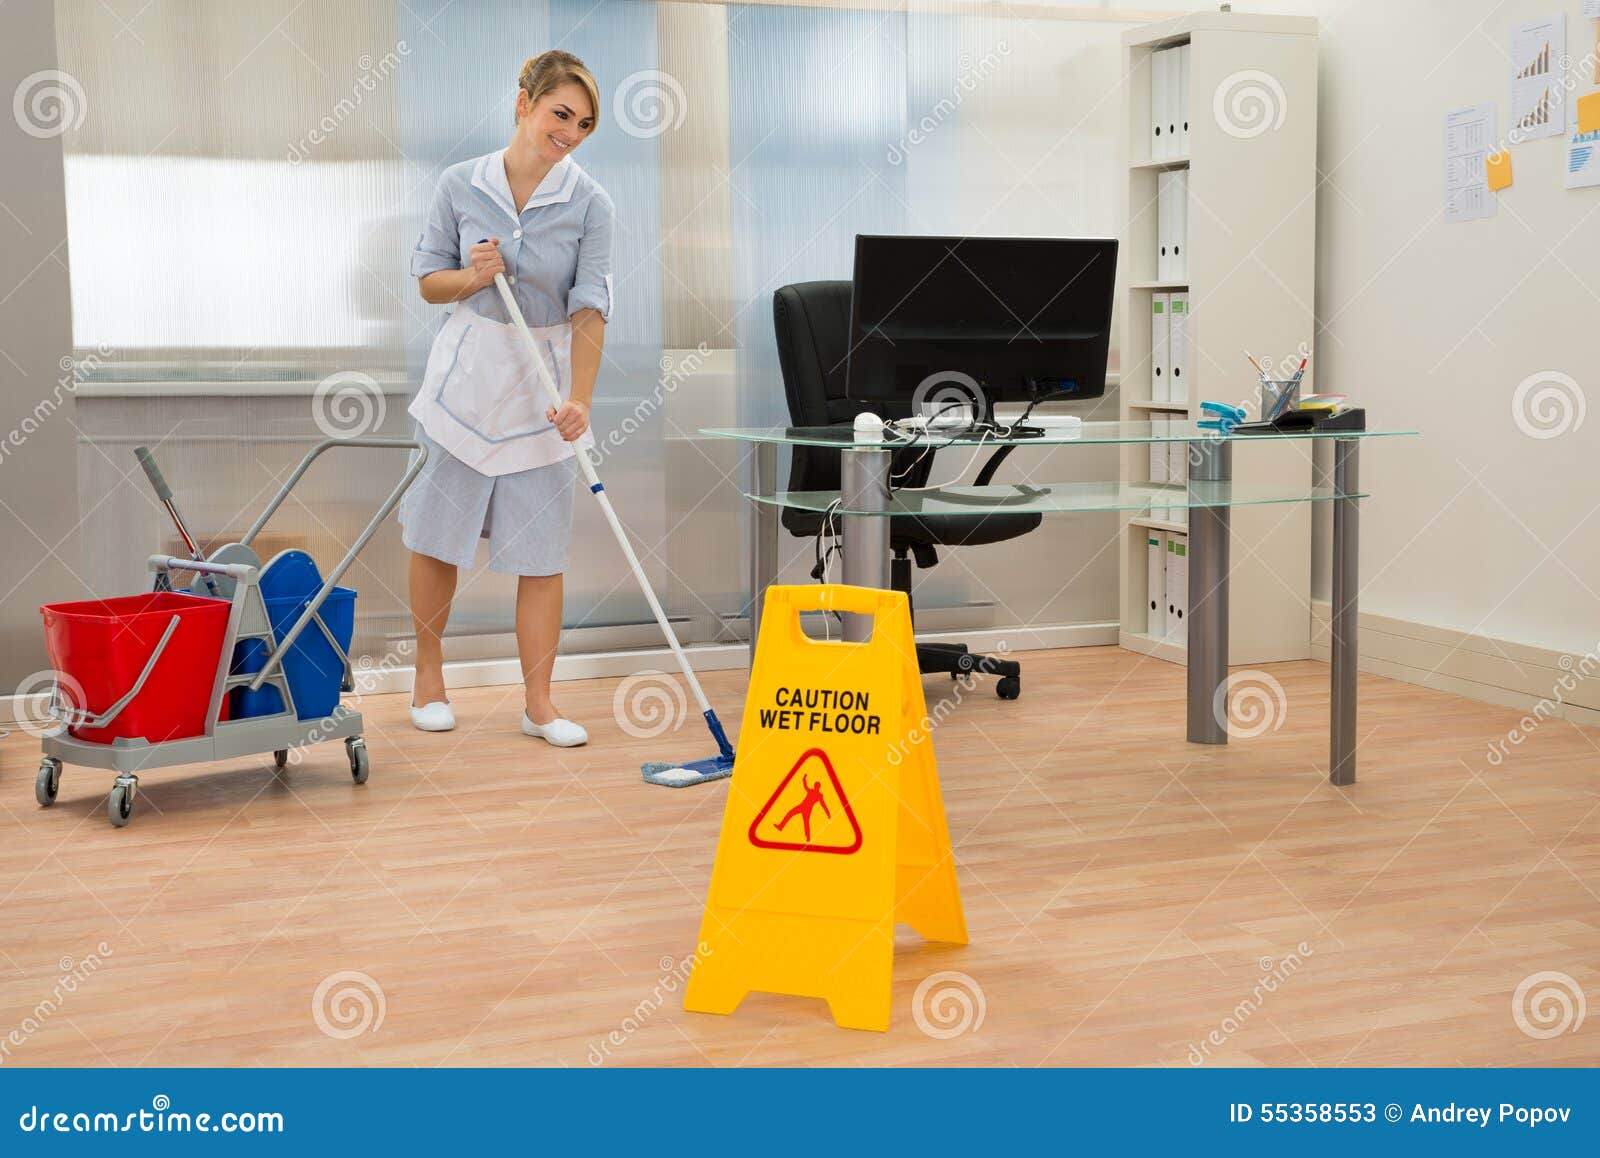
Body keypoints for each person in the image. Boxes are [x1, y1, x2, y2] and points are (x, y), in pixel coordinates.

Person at [400, 50, 613, 745]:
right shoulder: (460, 185)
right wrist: (471, 274)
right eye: (560, 114)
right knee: (437, 538)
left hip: (541, 389)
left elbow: (590, 307)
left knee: (541, 552)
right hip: (465, 383)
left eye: (583, 124)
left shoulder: (590, 203)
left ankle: (539, 705)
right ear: (524, 102)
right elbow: (429, 281)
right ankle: (428, 677)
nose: (570, 133)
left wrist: (579, 398)